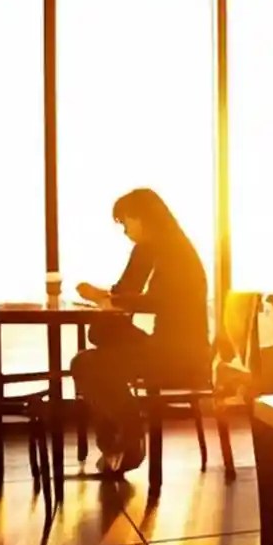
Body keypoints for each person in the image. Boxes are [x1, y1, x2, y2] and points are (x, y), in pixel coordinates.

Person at [70, 188, 209, 474]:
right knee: (100, 335)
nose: (124, 230)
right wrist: (107, 297)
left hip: (182, 354)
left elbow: (160, 302)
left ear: (145, 218)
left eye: (126, 222)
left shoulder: (177, 253)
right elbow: (126, 291)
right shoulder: (148, 249)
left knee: (86, 363)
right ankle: (117, 440)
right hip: (164, 344)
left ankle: (129, 434)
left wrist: (108, 299)